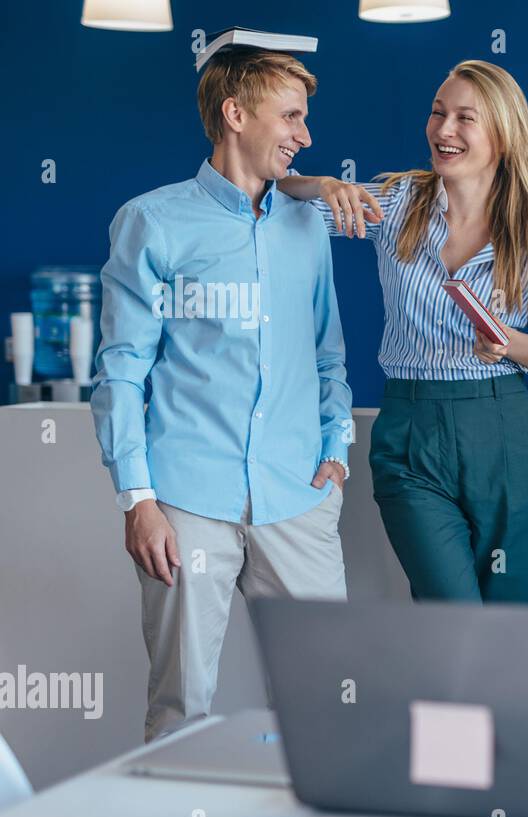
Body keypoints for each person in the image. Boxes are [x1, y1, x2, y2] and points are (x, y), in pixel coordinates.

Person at [91, 48, 352, 742]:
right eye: (291, 116)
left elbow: (327, 351)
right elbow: (121, 369)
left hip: (298, 496)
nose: (305, 135)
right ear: (235, 115)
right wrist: (138, 501)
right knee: (181, 707)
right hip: (185, 503)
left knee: (330, 703)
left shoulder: (308, 223)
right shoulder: (152, 222)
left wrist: (337, 452)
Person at [278, 60, 528, 604]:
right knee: (449, 617)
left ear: (503, 136)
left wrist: (511, 343)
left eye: (465, 118)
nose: (443, 130)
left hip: (503, 431)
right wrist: (321, 183)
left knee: (514, 623)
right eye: (438, 113)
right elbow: (276, 206)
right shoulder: (397, 205)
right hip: (410, 432)